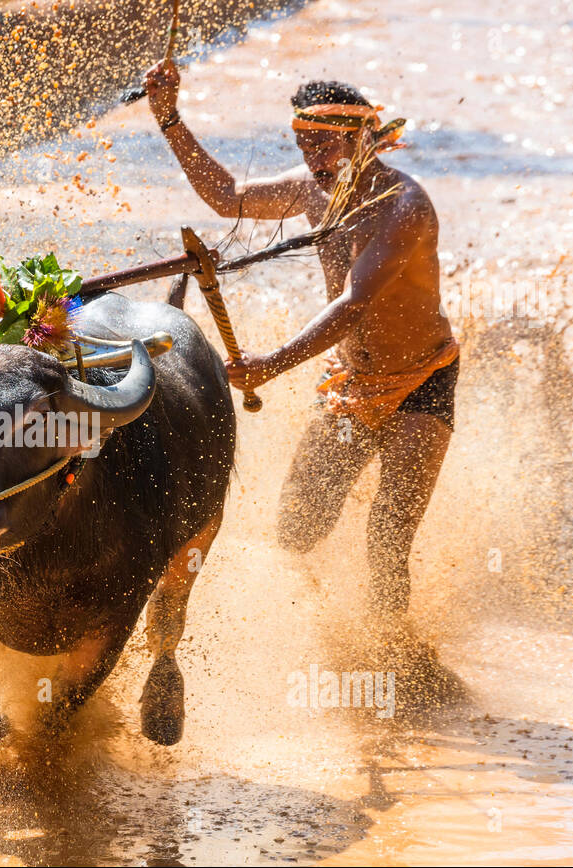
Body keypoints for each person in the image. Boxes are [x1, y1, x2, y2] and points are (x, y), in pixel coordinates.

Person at [143, 60, 459, 621]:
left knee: (387, 538)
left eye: (324, 143)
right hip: (349, 385)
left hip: (421, 381)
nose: (312, 157)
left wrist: (272, 364)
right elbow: (226, 196)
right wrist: (170, 119)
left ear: (364, 139)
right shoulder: (314, 190)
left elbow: (353, 303)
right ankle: (319, 627)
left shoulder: (403, 205)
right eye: (302, 142)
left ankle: (399, 661)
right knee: (295, 528)